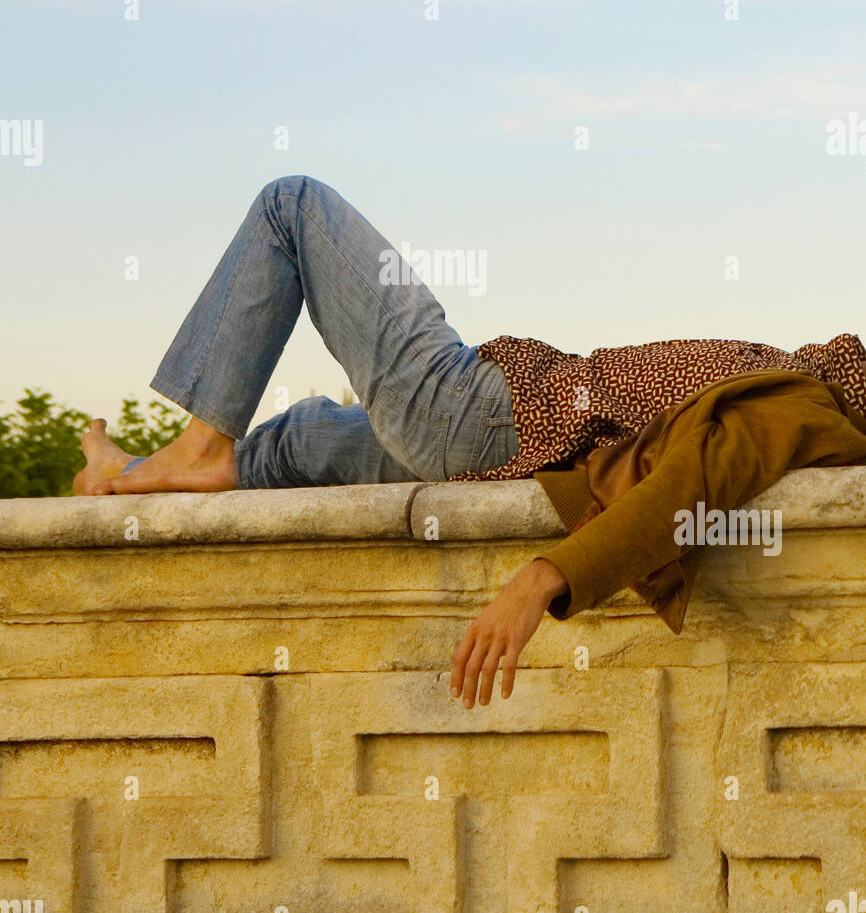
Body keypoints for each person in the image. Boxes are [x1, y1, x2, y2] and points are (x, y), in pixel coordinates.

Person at [73, 176, 866, 708]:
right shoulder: (812, 398)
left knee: (293, 205)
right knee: (307, 437)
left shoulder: (805, 404)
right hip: (494, 449)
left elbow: (683, 491)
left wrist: (541, 582)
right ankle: (140, 475)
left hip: (483, 417)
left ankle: (200, 444)